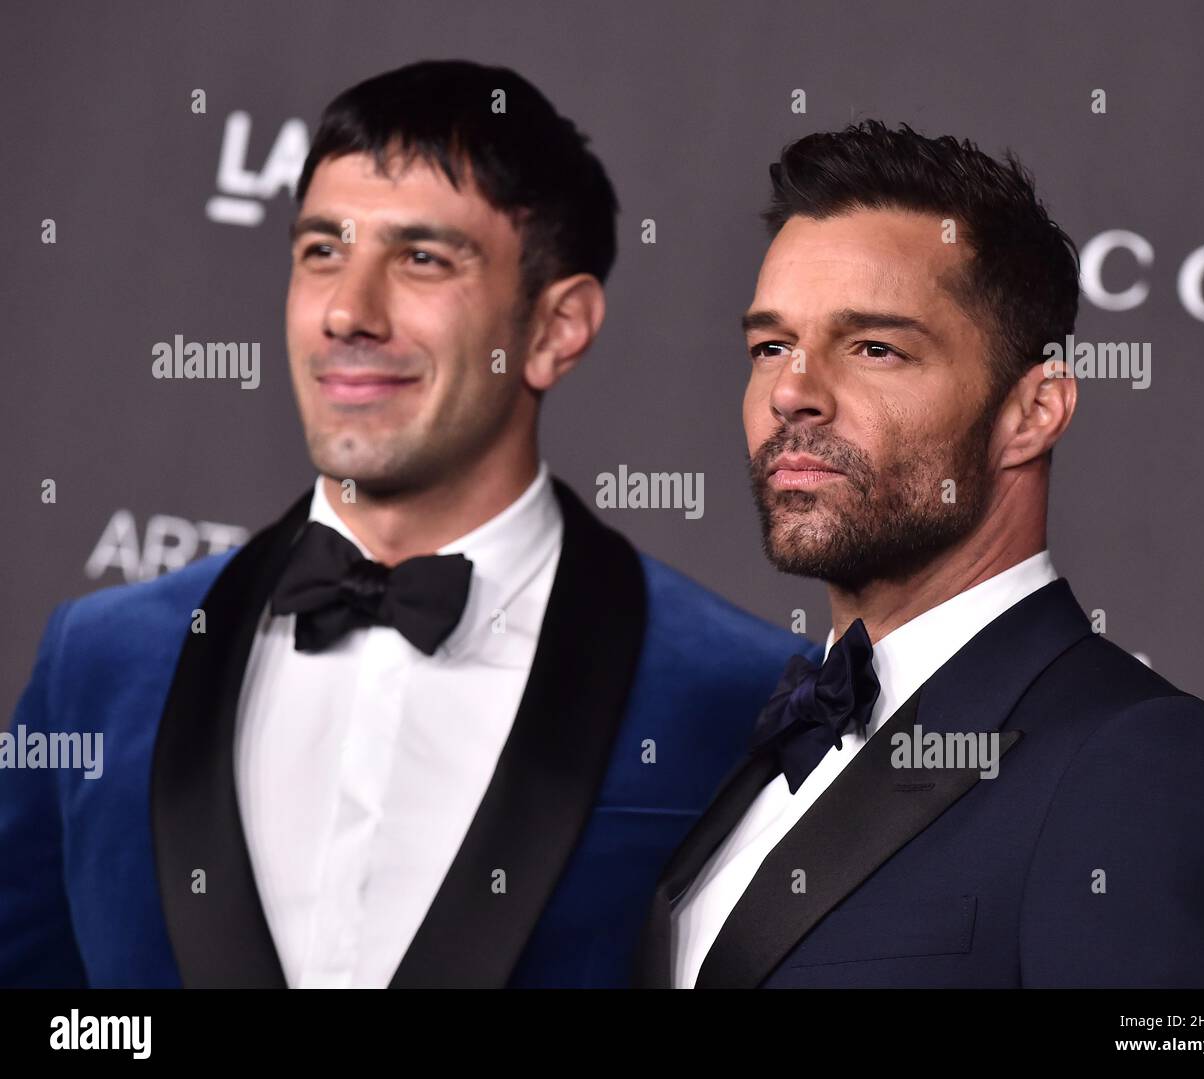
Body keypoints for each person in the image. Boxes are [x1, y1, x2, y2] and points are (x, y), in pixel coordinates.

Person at [0, 60, 811, 989]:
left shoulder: (738, 697)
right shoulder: (99, 663)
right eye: (321, 252)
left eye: (423, 258)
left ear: (556, 328)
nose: (350, 310)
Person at [637, 120, 1204, 989]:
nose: (793, 392)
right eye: (771, 346)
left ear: (1034, 411)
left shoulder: (1146, 770)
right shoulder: (765, 734)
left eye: (875, 347)